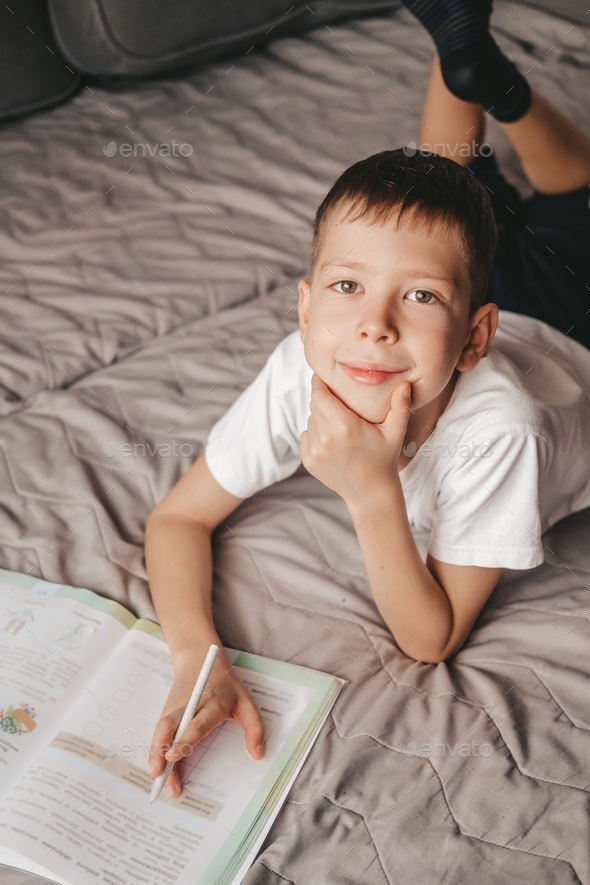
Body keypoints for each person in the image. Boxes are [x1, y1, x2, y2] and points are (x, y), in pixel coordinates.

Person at [145, 1, 590, 797]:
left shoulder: (500, 433)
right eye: (348, 286)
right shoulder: (305, 367)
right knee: (442, 200)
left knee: (578, 197)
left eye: (412, 298)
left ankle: (506, 92)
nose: (374, 327)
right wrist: (195, 658)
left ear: (472, 337)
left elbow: (433, 638)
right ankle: (470, 64)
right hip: (480, 313)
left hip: (569, 327)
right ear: (308, 308)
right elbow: (179, 517)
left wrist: (372, 488)